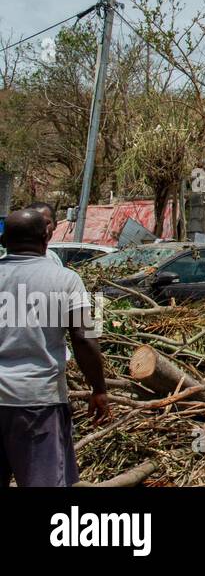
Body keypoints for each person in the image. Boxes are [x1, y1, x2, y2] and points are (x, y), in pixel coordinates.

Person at [0, 208, 110, 486]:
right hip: (38, 402)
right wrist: (99, 389)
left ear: (4, 241)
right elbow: (84, 337)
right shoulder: (67, 279)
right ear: (47, 237)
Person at [29, 201, 62, 266]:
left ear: (55, 225)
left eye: (46, 223)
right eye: (35, 223)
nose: (41, 228)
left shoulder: (53, 258)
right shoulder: (10, 261)